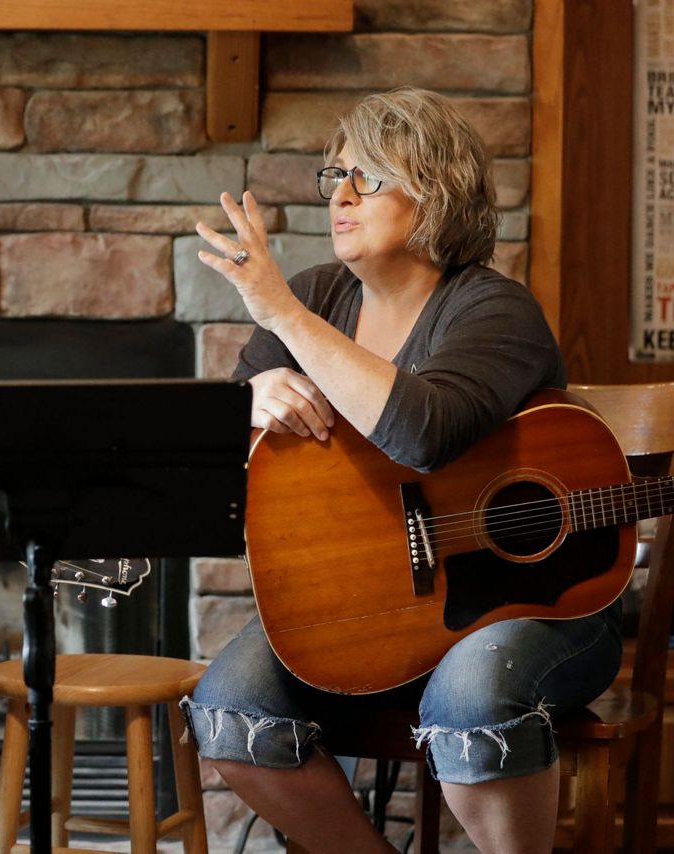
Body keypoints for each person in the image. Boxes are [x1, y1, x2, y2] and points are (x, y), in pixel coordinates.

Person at [182, 87, 622, 853]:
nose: (340, 196)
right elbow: (211, 468)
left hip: (535, 610)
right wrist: (247, 400)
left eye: (368, 178)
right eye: (335, 178)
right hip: (365, 613)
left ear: (437, 194)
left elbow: (424, 432)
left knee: (472, 694)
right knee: (228, 710)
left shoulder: (494, 309)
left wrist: (282, 315)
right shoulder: (321, 293)